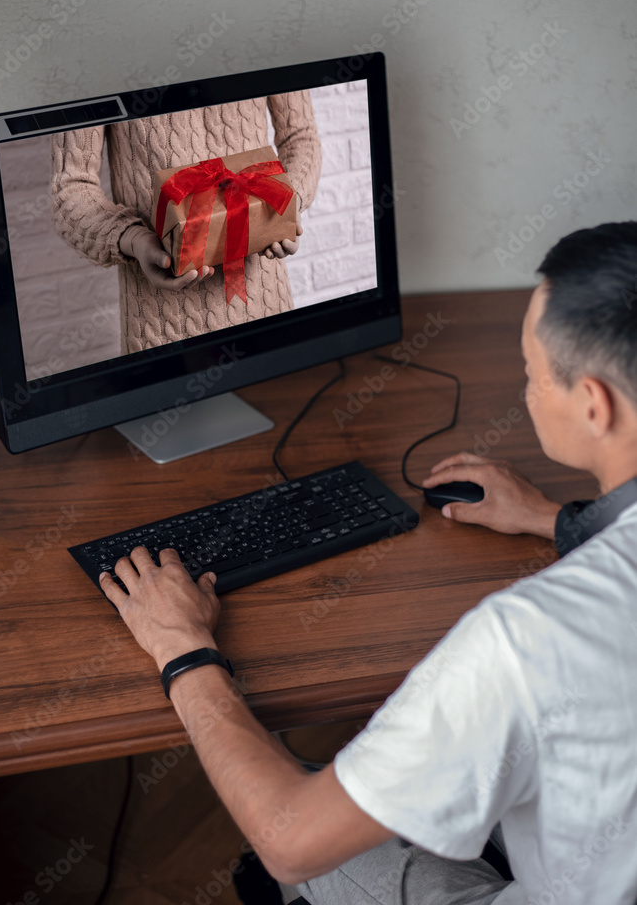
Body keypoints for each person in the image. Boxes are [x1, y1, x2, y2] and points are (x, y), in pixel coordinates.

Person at [98, 222, 637, 904]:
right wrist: (552, 520)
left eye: (532, 376)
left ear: (594, 403)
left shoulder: (525, 639)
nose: (527, 391)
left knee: (298, 834)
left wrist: (184, 652)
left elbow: (290, 835)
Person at [51, 92, 321, 354]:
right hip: (160, 328)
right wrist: (132, 238)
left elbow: (300, 136)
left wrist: (285, 205)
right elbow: (71, 187)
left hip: (266, 304)